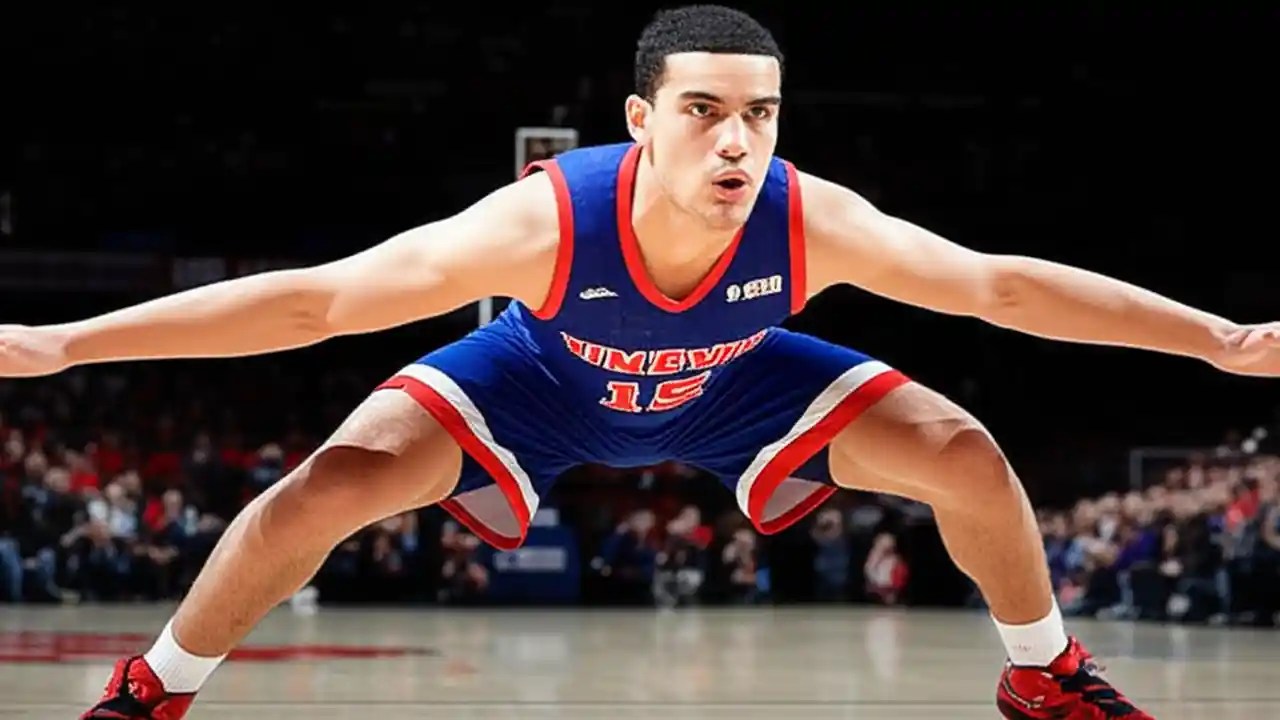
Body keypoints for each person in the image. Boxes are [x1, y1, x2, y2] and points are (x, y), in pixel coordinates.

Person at [2, 5, 1277, 719]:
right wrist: (63, 344)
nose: (736, 140)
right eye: (703, 110)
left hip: (735, 381)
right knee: (326, 488)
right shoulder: (544, 219)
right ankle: (156, 688)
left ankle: (1042, 672)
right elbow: (320, 304)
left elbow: (999, 286)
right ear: (639, 120)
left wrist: (1219, 342)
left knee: (961, 451)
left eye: (759, 114)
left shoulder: (806, 215)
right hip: (540, 379)